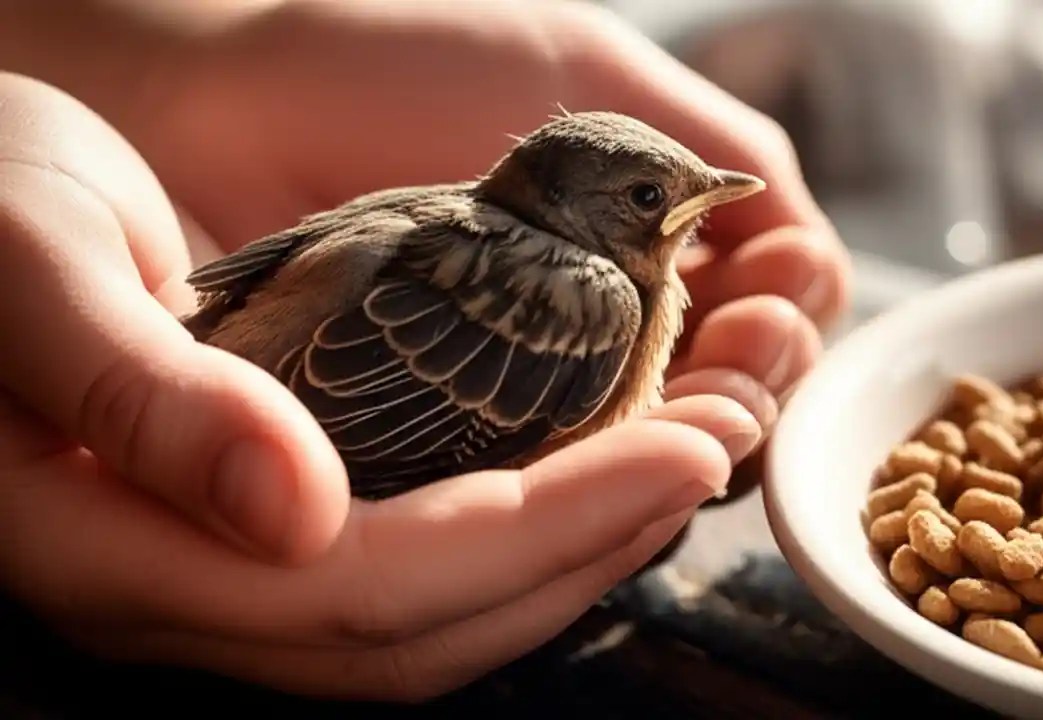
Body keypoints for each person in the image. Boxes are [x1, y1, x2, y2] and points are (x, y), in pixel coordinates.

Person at [0, 0, 853, 702]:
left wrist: (181, 70)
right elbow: (435, 420)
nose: (691, 206)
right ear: (578, 209)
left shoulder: (460, 206)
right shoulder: (596, 297)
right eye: (645, 198)